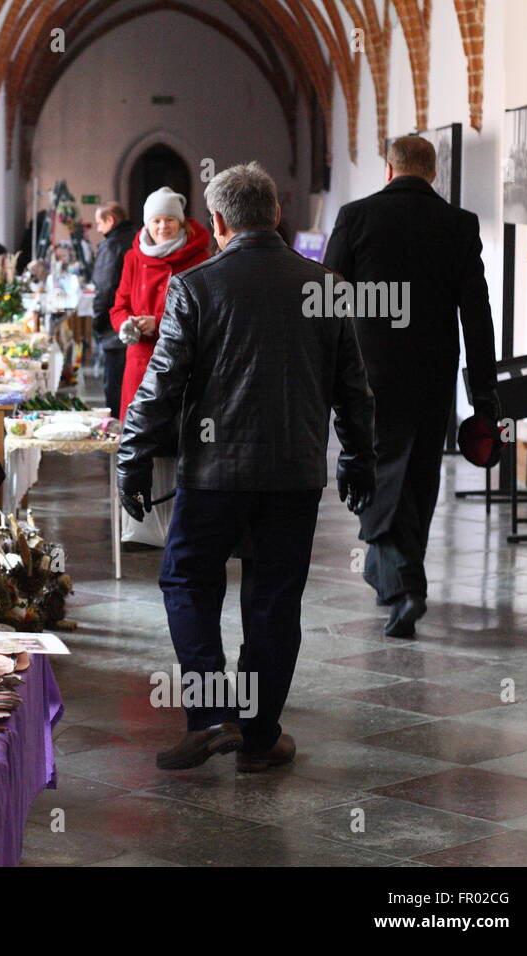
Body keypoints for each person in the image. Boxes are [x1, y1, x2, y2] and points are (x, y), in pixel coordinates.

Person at [117, 162, 376, 773]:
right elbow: (354, 389)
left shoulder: (196, 286)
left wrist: (132, 459)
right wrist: (360, 458)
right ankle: (259, 738)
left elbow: (161, 386)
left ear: (218, 221)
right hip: (293, 472)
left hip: (214, 473)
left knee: (187, 582)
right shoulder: (327, 285)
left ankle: (211, 717)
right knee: (275, 598)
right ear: (277, 215)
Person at [324, 135, 499, 637]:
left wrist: (322, 368)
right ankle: (394, 580)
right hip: (433, 371)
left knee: (380, 469)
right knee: (418, 473)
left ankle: (404, 586)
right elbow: (477, 313)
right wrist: (483, 390)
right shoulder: (458, 225)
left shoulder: (356, 216)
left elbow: (327, 295)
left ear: (388, 170)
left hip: (368, 371)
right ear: (434, 173)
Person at [110, 187, 211, 420]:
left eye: (170, 219)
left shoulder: (199, 259)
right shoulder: (133, 258)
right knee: (138, 428)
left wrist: (158, 323)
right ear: (147, 224)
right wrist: (125, 324)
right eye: (156, 220)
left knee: (175, 434)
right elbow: (119, 305)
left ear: (181, 222)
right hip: (140, 359)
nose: (163, 226)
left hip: (181, 360)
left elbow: (203, 311)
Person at [89, 202, 133, 420]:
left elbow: (104, 288)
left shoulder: (111, 246)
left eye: (100, 223)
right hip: (135, 322)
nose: (98, 229)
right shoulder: (138, 239)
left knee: (114, 384)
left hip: (114, 326)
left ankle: (115, 435)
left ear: (111, 220)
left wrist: (97, 322)